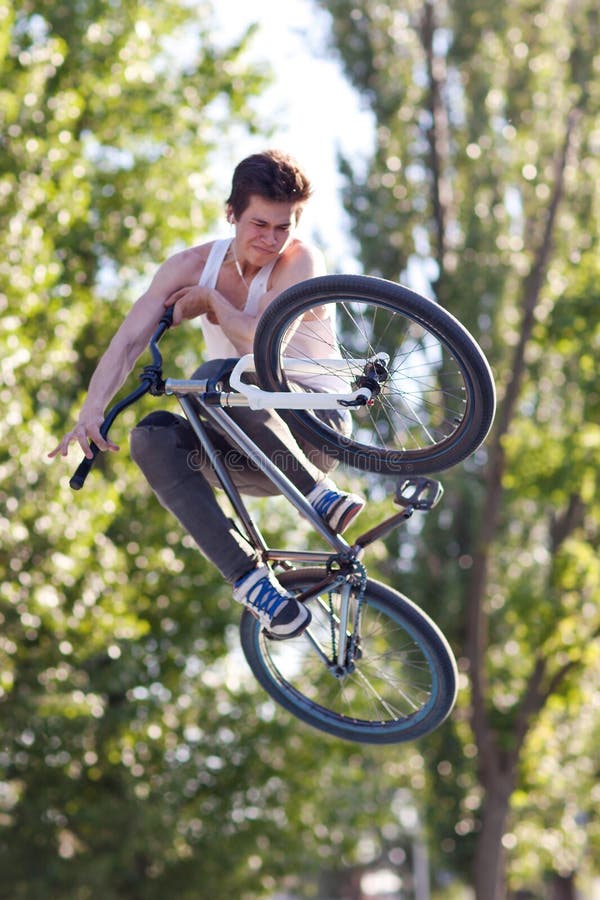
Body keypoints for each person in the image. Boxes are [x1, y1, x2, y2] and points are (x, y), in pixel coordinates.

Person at [50, 150, 364, 640]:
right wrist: (93, 410)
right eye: (259, 224)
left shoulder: (300, 260)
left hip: (315, 426)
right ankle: (253, 584)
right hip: (247, 449)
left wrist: (212, 303)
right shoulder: (191, 265)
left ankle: (320, 498)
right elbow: (130, 339)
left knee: (219, 376)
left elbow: (263, 348)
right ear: (231, 213)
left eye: (283, 226)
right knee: (152, 436)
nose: (271, 239)